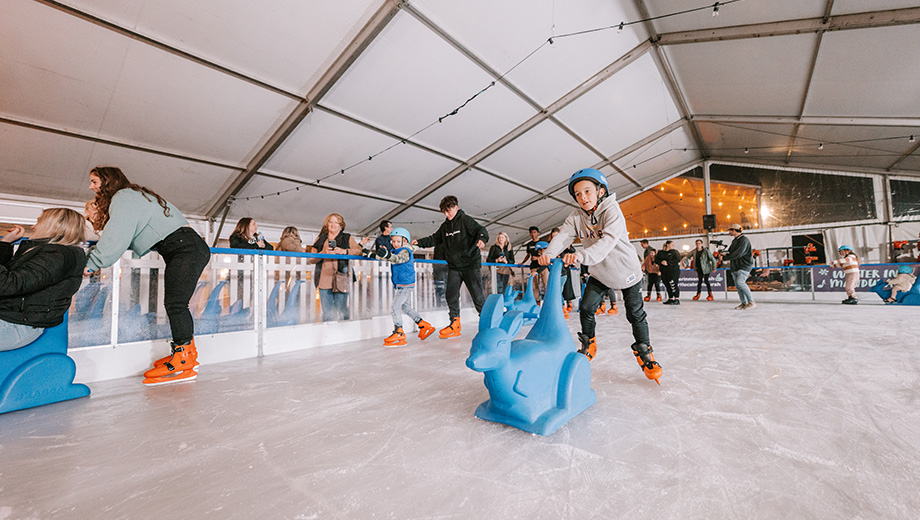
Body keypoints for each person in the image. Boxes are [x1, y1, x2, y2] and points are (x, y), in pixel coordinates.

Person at [85, 166, 211, 385]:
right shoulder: (134, 195)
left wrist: (92, 263)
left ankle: (183, 358)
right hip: (186, 247)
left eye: (95, 181)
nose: (91, 186)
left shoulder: (123, 197)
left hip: (185, 248)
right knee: (176, 303)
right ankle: (188, 353)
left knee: (175, 304)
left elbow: (117, 236)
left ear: (108, 182)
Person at [538, 168, 661, 384]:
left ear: (600, 191)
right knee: (586, 308)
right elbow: (564, 236)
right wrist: (549, 253)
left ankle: (645, 352)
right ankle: (589, 342)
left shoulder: (612, 211)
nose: (582, 197)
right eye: (577, 194)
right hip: (601, 272)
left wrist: (580, 256)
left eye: (587, 191)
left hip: (626, 271)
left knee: (635, 313)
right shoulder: (576, 217)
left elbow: (607, 241)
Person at [1, 209, 87, 351]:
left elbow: (9, 284)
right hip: (11, 316)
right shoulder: (50, 252)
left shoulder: (57, 255)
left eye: (39, 221)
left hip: (17, 324)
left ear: (55, 225)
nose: (34, 226)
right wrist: (5, 243)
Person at [412, 195, 488, 339]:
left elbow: (481, 230)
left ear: (455, 208)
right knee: (451, 294)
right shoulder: (445, 227)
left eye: (449, 211)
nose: (447, 215)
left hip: (470, 264)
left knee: (477, 295)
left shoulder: (465, 220)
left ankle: (487, 324)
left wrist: (482, 239)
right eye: (444, 212)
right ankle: (455, 324)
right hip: (454, 266)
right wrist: (419, 242)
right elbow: (434, 238)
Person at [363, 227, 435, 347]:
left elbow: (397, 259)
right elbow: (386, 257)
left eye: (398, 241)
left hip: (406, 284)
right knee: (405, 307)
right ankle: (424, 325)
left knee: (394, 307)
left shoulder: (405, 251)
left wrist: (387, 254)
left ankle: (399, 332)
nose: (395, 244)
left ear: (404, 241)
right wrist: (370, 254)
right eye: (393, 241)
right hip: (402, 284)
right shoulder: (396, 251)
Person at [310, 213, 362, 322]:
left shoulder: (347, 237)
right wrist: (323, 252)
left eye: (336, 222)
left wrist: (344, 251)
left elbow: (358, 251)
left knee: (342, 309)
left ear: (341, 225)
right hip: (324, 280)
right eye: (330, 222)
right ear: (327, 224)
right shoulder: (321, 239)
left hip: (342, 278)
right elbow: (311, 259)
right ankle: (328, 335)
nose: (333, 225)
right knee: (327, 312)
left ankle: (345, 333)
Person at [721, 223, 755, 310]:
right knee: (738, 286)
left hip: (744, 266)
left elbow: (739, 253)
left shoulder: (744, 240)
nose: (729, 232)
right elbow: (731, 252)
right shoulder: (735, 240)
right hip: (735, 266)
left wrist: (725, 257)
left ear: (734, 230)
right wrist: (723, 254)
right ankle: (744, 303)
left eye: (730, 230)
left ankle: (751, 302)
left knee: (740, 283)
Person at [522, 226, 549, 303]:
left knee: (546, 284)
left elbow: (547, 254)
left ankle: (548, 301)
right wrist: (522, 262)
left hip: (543, 266)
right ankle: (537, 302)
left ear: (538, 233)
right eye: (531, 232)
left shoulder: (543, 243)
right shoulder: (529, 244)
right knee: (534, 286)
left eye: (534, 232)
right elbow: (528, 255)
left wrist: (537, 258)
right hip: (533, 267)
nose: (533, 234)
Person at [486, 231, 515, 295]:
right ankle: (498, 300)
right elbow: (488, 259)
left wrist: (506, 261)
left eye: (502, 237)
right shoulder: (493, 247)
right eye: (499, 238)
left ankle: (503, 301)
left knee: (504, 287)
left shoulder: (509, 248)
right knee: (498, 287)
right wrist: (496, 260)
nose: (501, 239)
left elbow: (512, 261)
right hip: (496, 270)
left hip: (506, 271)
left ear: (506, 238)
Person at [656, 240, 681, 305]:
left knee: (673, 284)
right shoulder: (661, 252)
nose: (673, 246)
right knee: (667, 285)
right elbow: (656, 260)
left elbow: (678, 259)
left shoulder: (675, 252)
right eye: (671, 244)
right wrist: (661, 262)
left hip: (673, 271)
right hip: (664, 272)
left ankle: (676, 299)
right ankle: (670, 298)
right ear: (667, 245)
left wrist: (668, 263)